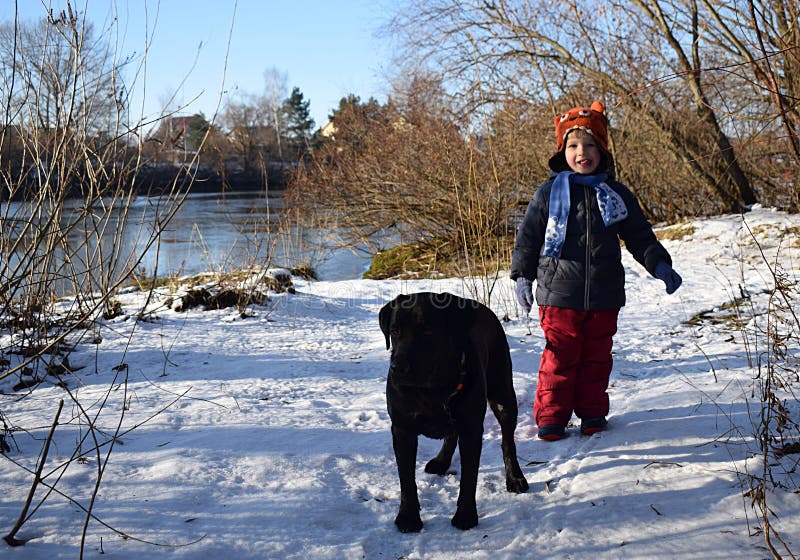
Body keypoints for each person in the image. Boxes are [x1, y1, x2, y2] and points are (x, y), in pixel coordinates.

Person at [510, 101, 682, 441]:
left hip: (604, 295)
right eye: (573, 146)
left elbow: (638, 235)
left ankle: (592, 413)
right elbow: (528, 238)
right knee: (560, 357)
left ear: (603, 151)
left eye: (590, 145)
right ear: (563, 152)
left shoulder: (615, 194)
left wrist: (659, 263)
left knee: (596, 358)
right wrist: (522, 276)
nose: (582, 152)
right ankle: (552, 417)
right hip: (558, 293)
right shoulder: (549, 193)